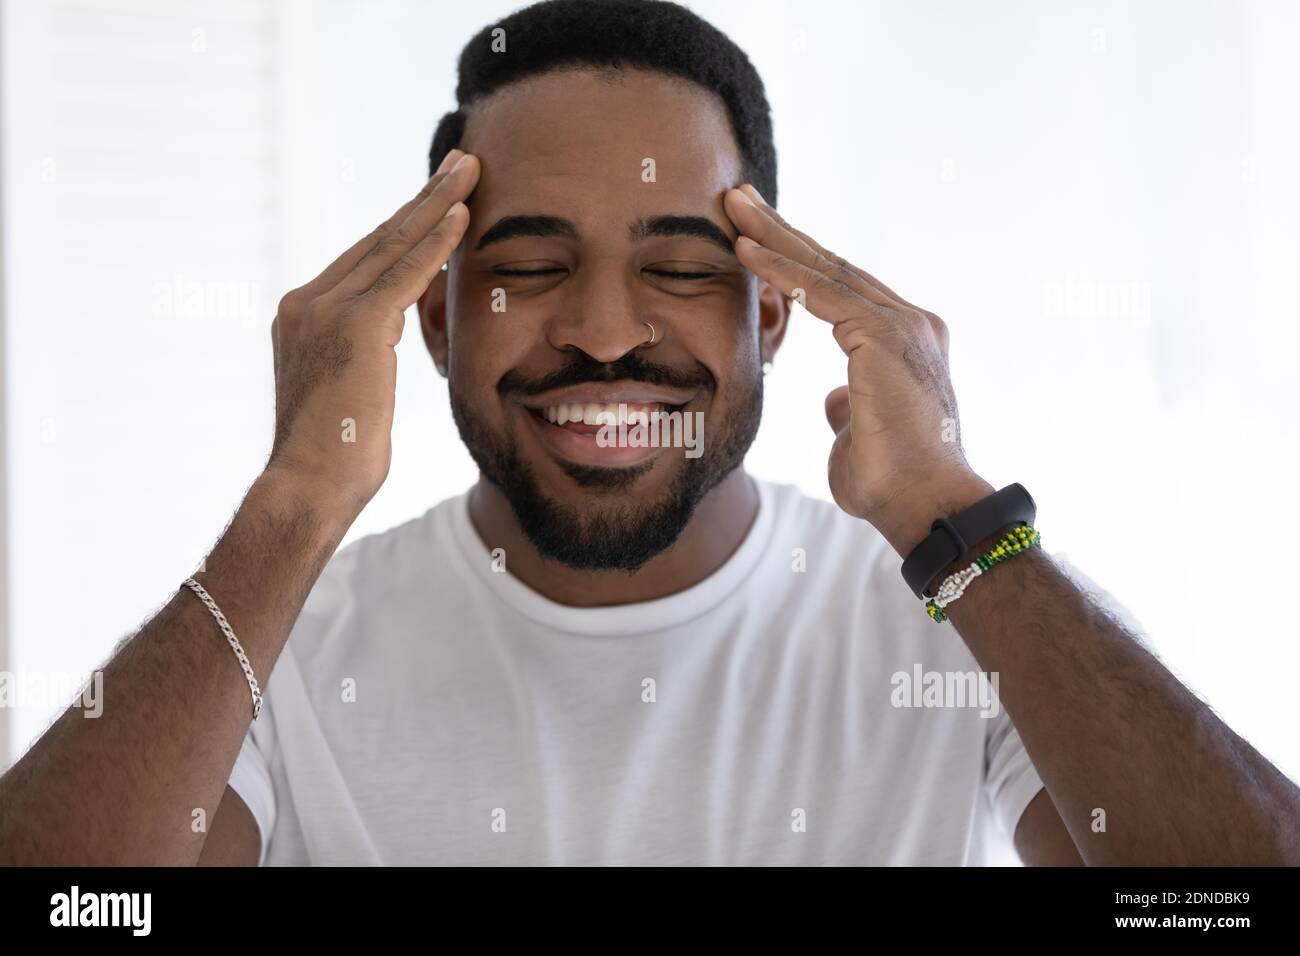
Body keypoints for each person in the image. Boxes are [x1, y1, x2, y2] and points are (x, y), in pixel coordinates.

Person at [1, 0, 1296, 866]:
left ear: (777, 314)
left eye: (680, 266)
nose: (608, 333)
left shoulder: (965, 610)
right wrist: (294, 500)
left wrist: (951, 517)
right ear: (436, 325)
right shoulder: (276, 650)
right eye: (529, 263)